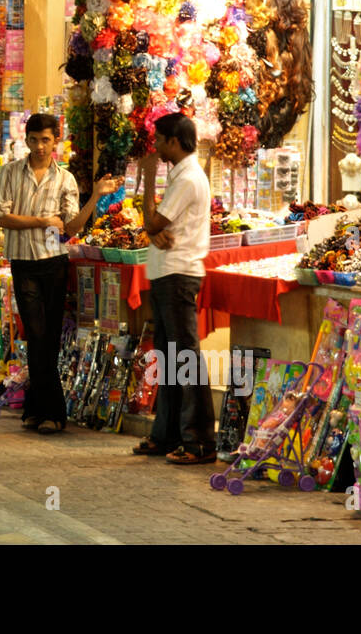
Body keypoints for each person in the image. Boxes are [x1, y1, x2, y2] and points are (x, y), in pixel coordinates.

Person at [0, 113, 117, 434]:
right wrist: (42, 221)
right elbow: (1, 217)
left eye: (45, 140)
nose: (38, 146)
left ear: (55, 140)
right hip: (22, 262)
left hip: (54, 263)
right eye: (33, 139)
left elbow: (72, 227)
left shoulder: (66, 180)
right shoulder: (9, 173)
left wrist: (96, 196)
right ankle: (51, 410)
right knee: (35, 334)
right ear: (26, 139)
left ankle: (40, 409)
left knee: (47, 337)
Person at [134, 112, 215, 464]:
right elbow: (155, 226)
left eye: (159, 140)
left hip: (179, 274)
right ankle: (166, 434)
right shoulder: (182, 175)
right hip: (167, 273)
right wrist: (154, 231)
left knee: (185, 357)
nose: (155, 148)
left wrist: (149, 179)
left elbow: (153, 221)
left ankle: (199, 441)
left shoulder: (188, 179)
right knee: (168, 359)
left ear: (174, 142)